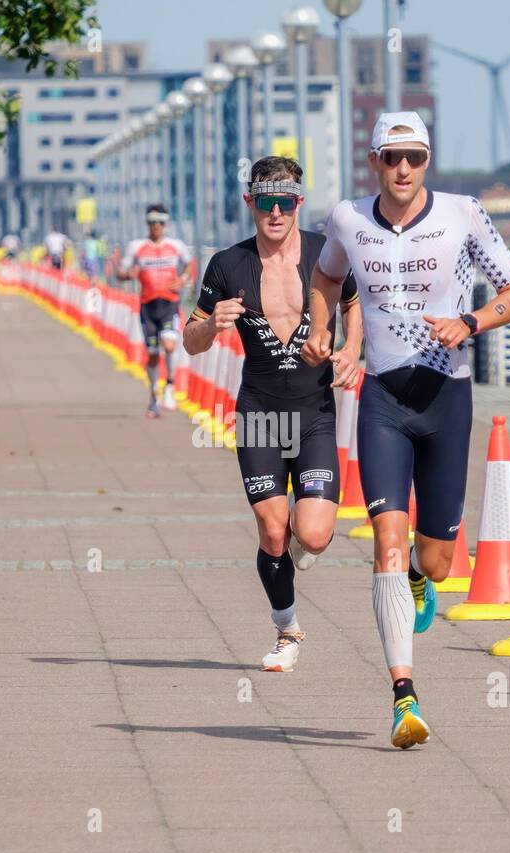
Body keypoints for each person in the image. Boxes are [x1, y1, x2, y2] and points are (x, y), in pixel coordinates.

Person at [304, 112, 510, 748]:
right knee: (387, 538)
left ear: (427, 160)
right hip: (382, 400)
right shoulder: (347, 218)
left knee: (434, 555)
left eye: (415, 157)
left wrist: (472, 322)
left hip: (446, 400)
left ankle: (421, 581)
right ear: (374, 161)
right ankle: (404, 695)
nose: (404, 169)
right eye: (392, 157)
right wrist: (322, 331)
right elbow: (326, 275)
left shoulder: (462, 213)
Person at [185, 157, 361, 672]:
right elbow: (191, 342)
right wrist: (212, 325)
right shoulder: (227, 265)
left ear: (299, 203)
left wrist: (352, 351)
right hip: (260, 410)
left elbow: (354, 303)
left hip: (314, 412)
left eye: (286, 202)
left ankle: (305, 548)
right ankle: (287, 630)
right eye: (267, 202)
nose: (277, 212)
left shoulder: (325, 255)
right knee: (273, 531)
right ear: (250, 204)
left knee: (313, 535)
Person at [118, 204, 195, 416]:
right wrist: (128, 275)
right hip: (148, 307)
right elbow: (120, 272)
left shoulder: (176, 246)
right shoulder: (137, 247)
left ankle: (169, 385)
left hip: (169, 303)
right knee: (152, 355)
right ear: (147, 223)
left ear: (166, 223)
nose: (156, 227)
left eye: (160, 223)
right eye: (152, 223)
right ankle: (154, 396)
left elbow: (190, 264)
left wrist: (183, 279)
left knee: (169, 345)